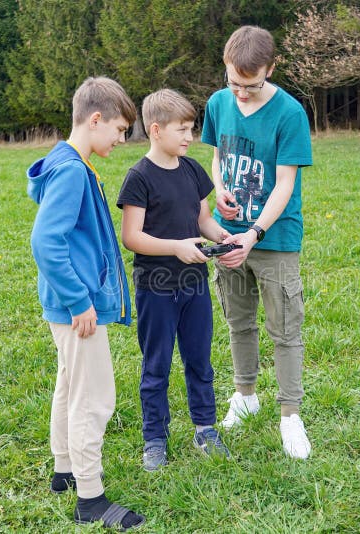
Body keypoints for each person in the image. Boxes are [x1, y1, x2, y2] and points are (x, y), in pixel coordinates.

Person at [27, 76, 145, 530]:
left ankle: (65, 469)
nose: (120, 139)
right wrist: (80, 301)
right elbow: (45, 241)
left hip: (67, 305)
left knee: (69, 385)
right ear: (95, 119)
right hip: (78, 308)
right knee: (93, 398)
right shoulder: (73, 170)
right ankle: (90, 498)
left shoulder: (68, 161)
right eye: (118, 130)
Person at [201, 26, 314, 459]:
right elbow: (217, 156)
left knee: (285, 329)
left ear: (272, 68)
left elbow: (285, 184)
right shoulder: (217, 103)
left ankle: (290, 415)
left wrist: (255, 234)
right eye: (234, 83)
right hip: (227, 234)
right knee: (238, 321)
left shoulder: (290, 113)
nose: (241, 94)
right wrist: (219, 191)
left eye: (251, 85)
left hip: (274, 237)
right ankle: (245, 396)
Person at [117, 89, 231, 472]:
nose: (189, 137)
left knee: (200, 360)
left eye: (191, 129)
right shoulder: (139, 178)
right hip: (156, 289)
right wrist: (175, 248)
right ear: (155, 130)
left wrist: (221, 238)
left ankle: (205, 428)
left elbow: (203, 220)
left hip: (195, 286)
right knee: (157, 366)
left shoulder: (192, 170)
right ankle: (154, 439)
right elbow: (131, 237)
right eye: (181, 129)